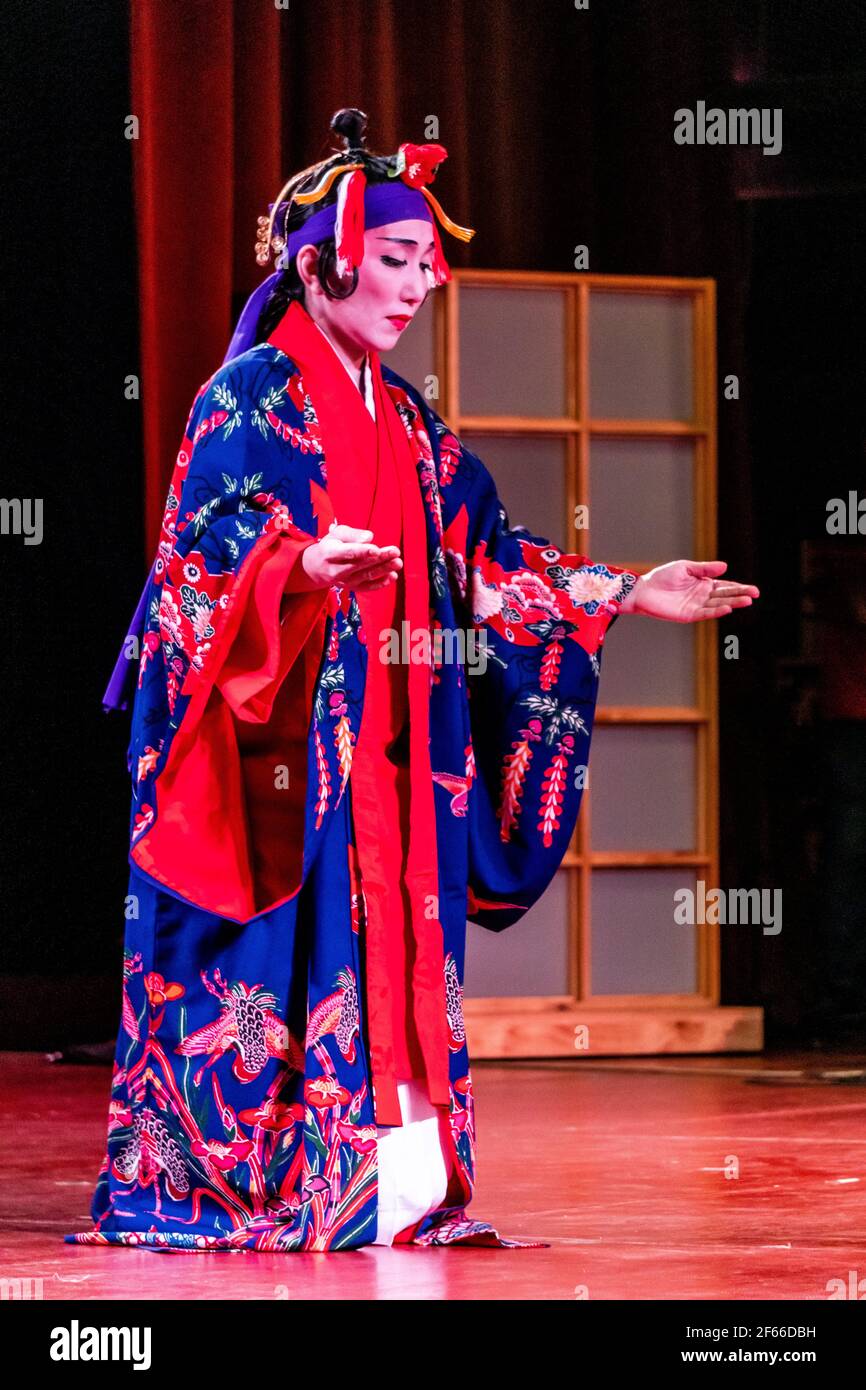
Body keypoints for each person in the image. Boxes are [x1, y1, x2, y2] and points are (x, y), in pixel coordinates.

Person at [65, 108, 759, 1255]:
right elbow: (190, 580)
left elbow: (491, 568)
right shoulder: (249, 401)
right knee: (275, 968)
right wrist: (293, 570)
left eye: (427, 266)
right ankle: (242, 1181)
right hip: (291, 758)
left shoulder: (415, 432)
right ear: (320, 260)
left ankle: (389, 1184)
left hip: (397, 756)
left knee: (396, 952)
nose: (417, 287)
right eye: (395, 260)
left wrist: (627, 591)